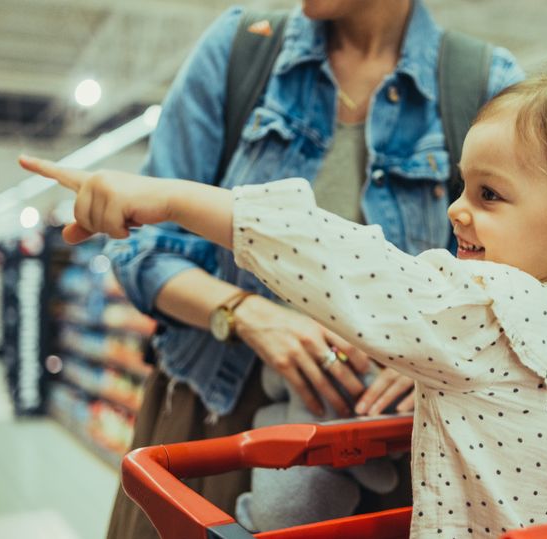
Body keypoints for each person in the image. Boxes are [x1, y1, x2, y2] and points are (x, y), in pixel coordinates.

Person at [20, 65, 547, 537]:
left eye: (489, 195)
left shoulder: (487, 307)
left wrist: (175, 199)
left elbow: (344, 263)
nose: (457, 210)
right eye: (462, 186)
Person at [93, 0, 524, 536]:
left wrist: (439, 356)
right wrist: (244, 313)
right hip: (218, 414)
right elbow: (145, 249)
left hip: (397, 436)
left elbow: (526, 283)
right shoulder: (244, 49)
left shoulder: (481, 80)